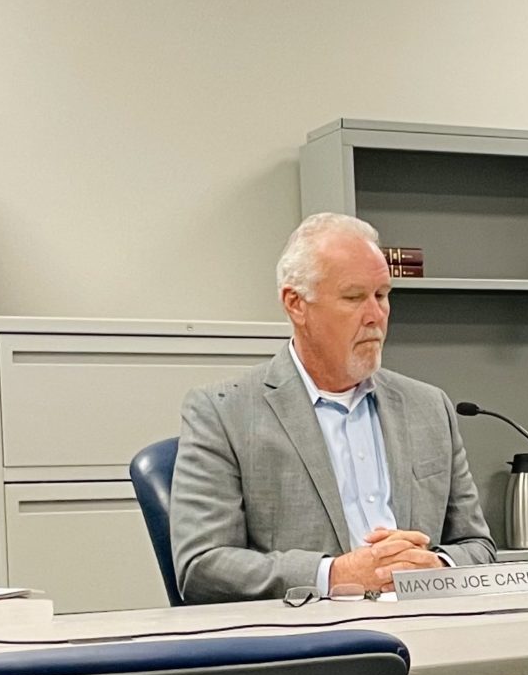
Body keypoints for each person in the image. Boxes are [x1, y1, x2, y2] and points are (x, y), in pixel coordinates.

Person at [172, 212, 495, 601]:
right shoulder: (223, 412)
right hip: (315, 641)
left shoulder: (429, 407)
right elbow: (202, 567)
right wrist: (334, 573)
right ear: (296, 305)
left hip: (430, 625)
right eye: (354, 297)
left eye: (382, 295)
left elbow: (478, 546)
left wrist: (437, 566)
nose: (376, 315)